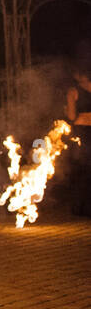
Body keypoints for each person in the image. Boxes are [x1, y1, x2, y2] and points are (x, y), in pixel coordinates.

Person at [65, 69, 91, 217]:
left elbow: (71, 116)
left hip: (83, 132)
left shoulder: (73, 91)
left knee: (83, 170)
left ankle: (80, 208)